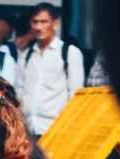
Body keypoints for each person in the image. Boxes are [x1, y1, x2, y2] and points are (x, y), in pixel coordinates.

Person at [17, 3, 85, 138]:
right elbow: (19, 92)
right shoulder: (26, 55)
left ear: (55, 24)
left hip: (56, 130)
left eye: (44, 22)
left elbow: (76, 96)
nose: (38, 27)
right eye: (35, 22)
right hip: (29, 130)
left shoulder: (69, 53)